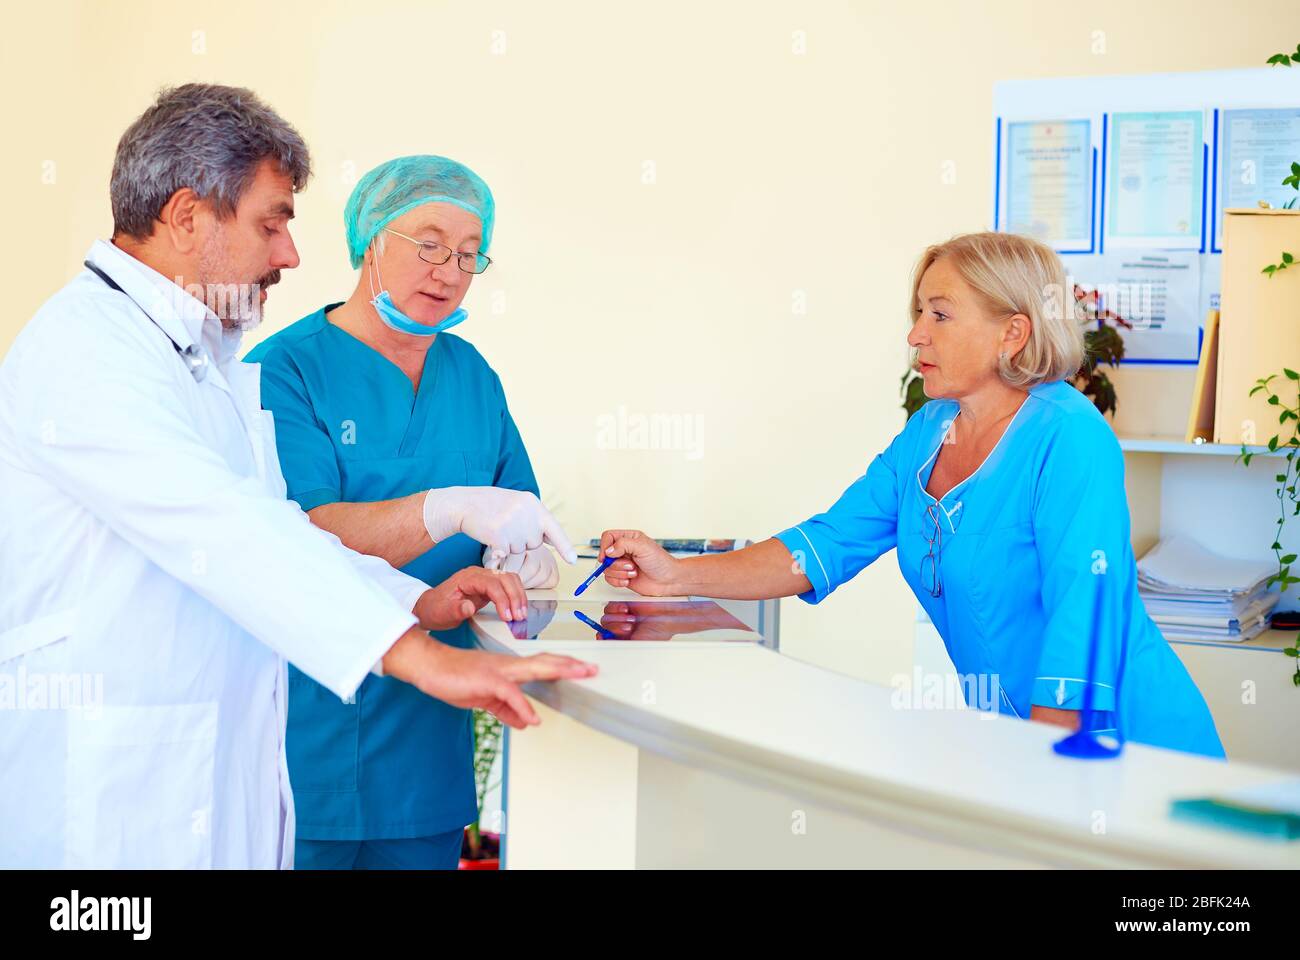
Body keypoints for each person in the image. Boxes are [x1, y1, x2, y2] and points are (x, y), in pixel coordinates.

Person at [0, 84, 595, 869]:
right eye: (271, 222)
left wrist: (416, 599)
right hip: (115, 795)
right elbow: (226, 529)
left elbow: (269, 522)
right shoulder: (86, 355)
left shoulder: (199, 365)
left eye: (467, 253)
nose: (289, 253)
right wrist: (423, 652)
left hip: (203, 779)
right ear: (186, 217)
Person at [597, 232, 1224, 758]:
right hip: (1023, 747)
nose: (916, 335)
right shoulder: (928, 432)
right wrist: (675, 575)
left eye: (940, 315)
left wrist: (1040, 774)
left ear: (1012, 332)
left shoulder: (1071, 439)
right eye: (919, 313)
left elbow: (1082, 613)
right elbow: (825, 543)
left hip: (1127, 746)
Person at [245, 155, 570, 869]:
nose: (448, 270)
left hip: (428, 740)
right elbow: (294, 541)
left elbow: (518, 514)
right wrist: (449, 508)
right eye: (428, 244)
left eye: (466, 254)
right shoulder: (284, 371)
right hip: (310, 739)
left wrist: (530, 557)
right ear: (368, 242)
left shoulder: (472, 375)